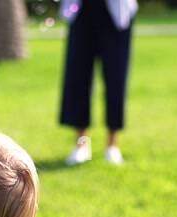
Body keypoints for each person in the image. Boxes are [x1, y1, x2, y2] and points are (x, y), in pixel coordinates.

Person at [59, 0, 138, 166]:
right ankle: (82, 145)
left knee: (116, 78)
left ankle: (112, 145)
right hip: (82, 10)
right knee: (78, 79)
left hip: (116, 13)